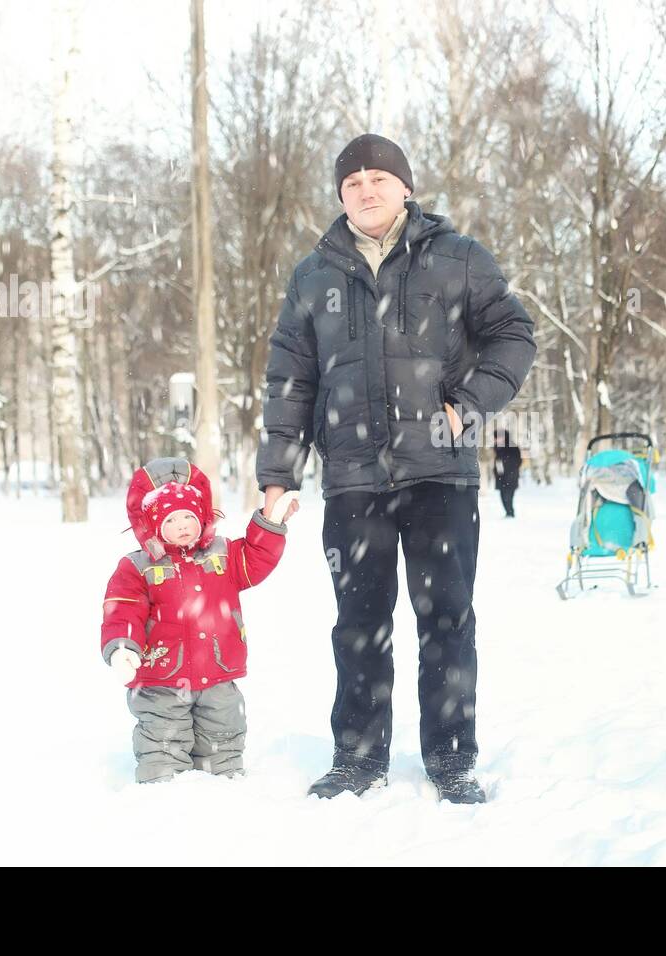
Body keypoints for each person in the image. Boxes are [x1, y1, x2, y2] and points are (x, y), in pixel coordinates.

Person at [257, 133, 536, 803]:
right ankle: (356, 758)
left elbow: (514, 336)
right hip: (353, 480)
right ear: (341, 197)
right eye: (352, 184)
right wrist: (279, 474)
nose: (366, 191)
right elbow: (288, 381)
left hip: (441, 474)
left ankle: (450, 759)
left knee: (447, 619)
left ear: (405, 187)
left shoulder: (458, 259)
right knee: (358, 625)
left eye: (379, 179)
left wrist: (468, 406)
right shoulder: (312, 276)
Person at [100, 457, 294, 783]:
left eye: (189, 516)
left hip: (218, 671)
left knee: (224, 732)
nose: (183, 525)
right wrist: (122, 647)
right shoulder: (137, 566)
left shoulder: (222, 555)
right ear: (153, 524)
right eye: (172, 519)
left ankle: (223, 785)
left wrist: (269, 524)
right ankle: (161, 789)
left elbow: (256, 559)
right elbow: (122, 607)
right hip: (160, 678)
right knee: (162, 737)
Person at [492, 427, 522, 517]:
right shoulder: (497, 448)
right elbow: (497, 461)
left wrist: (509, 468)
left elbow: (518, 461)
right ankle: (508, 512)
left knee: (508, 496)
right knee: (502, 496)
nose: (497, 440)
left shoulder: (513, 447)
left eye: (499, 437)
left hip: (511, 476)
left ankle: (510, 512)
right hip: (501, 476)